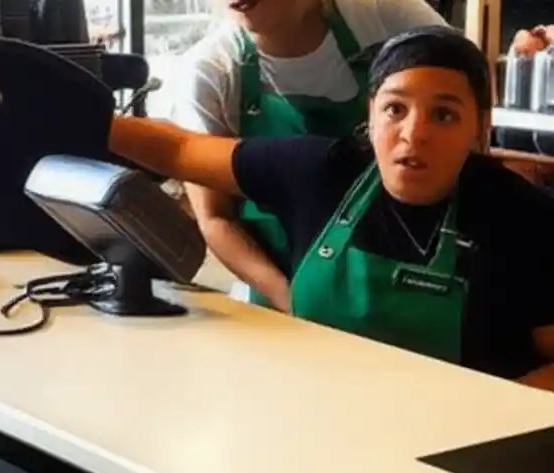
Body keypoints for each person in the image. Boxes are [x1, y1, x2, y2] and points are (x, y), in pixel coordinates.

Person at [109, 26, 554, 391]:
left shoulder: (519, 216)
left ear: (481, 126)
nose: (413, 134)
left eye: (444, 115)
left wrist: (483, 419)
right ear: (371, 115)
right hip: (314, 429)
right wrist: (74, 112)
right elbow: (180, 148)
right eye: (395, 109)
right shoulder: (322, 173)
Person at [168, 0, 453, 310]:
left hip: (407, 284)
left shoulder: (387, 19)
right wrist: (289, 299)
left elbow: (468, 103)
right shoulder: (212, 73)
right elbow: (215, 217)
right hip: (281, 295)